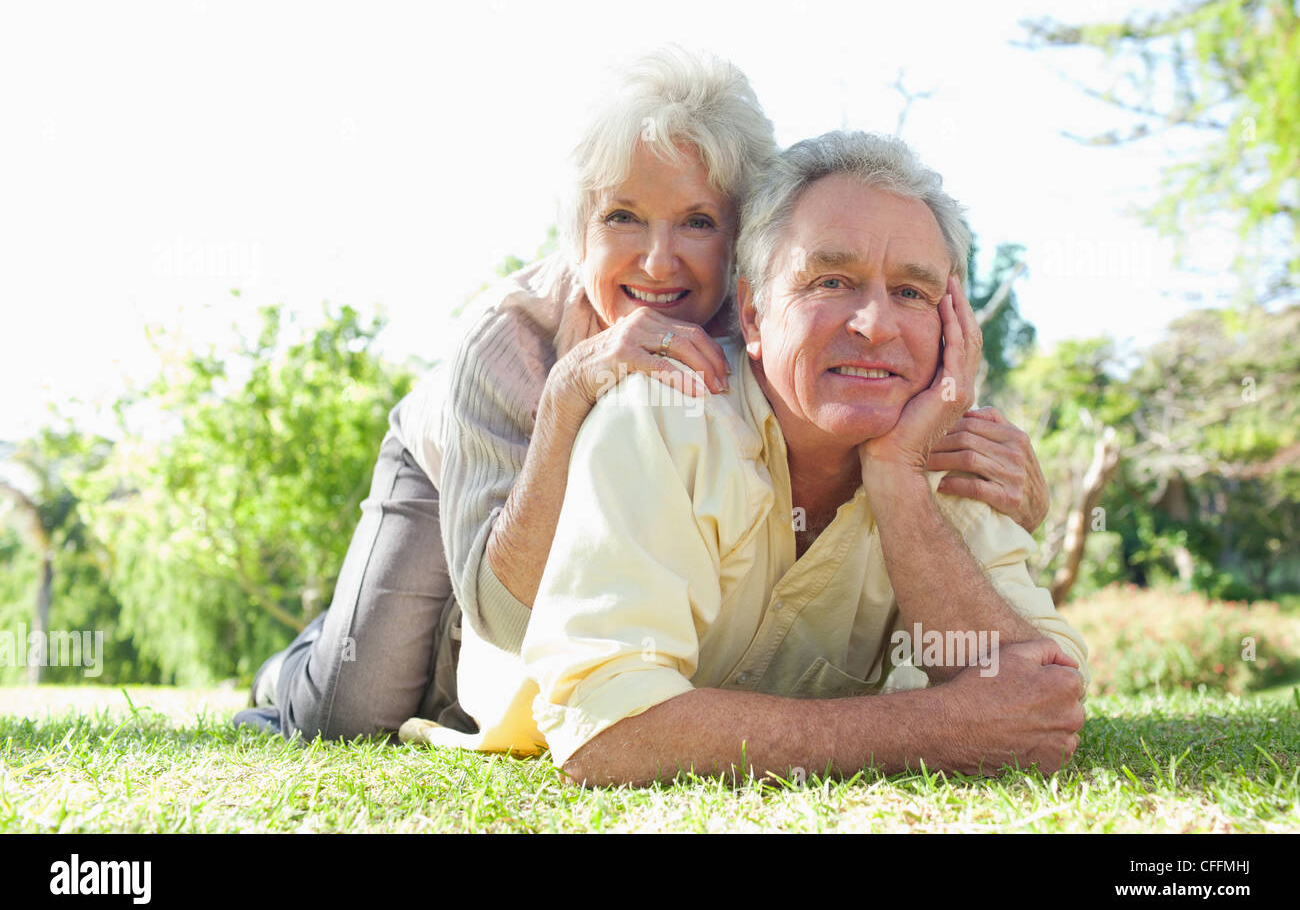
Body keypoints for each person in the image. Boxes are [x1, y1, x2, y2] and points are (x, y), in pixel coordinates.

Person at [236, 49, 1052, 742]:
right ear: (581, 230)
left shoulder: (774, 317)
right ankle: (294, 666)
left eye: (697, 222)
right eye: (623, 217)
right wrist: (570, 393)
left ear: (744, 244)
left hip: (562, 568)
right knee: (354, 703)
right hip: (451, 483)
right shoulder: (507, 342)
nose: (659, 264)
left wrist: (1014, 488)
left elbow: (875, 362)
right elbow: (508, 621)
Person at [401, 131, 1088, 785]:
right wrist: (931, 730)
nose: (875, 325)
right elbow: (606, 730)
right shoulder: (659, 417)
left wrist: (898, 478)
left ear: (953, 324)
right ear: (753, 315)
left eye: (911, 292)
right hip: (484, 643)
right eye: (831, 281)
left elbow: (1043, 697)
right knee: (343, 705)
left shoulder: (948, 448)